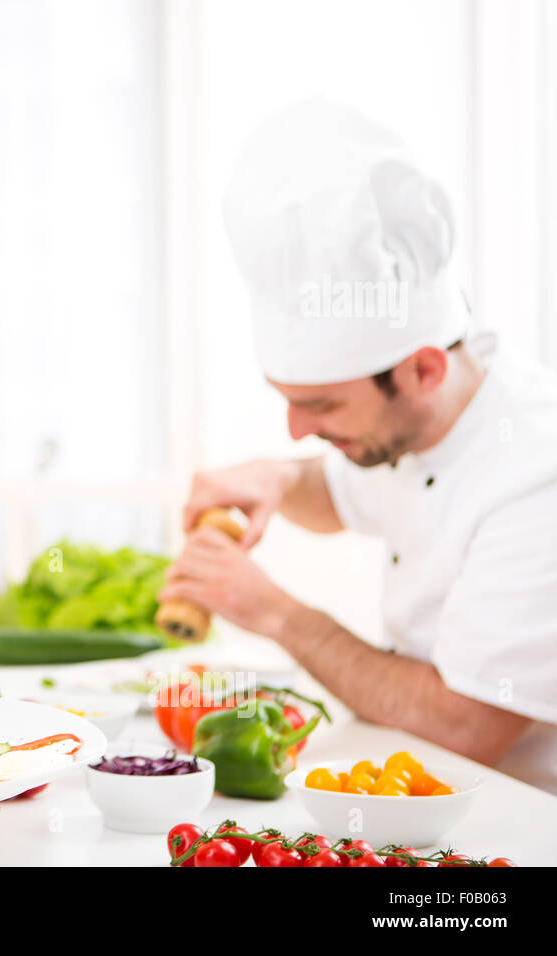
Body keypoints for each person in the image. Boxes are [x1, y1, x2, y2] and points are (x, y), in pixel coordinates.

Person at [158, 98, 557, 795]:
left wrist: (271, 612)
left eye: (319, 407)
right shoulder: (418, 416)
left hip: (519, 817)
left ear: (421, 369)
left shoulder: (535, 472)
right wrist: (279, 479)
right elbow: (342, 494)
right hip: (423, 795)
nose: (295, 428)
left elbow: (464, 725)